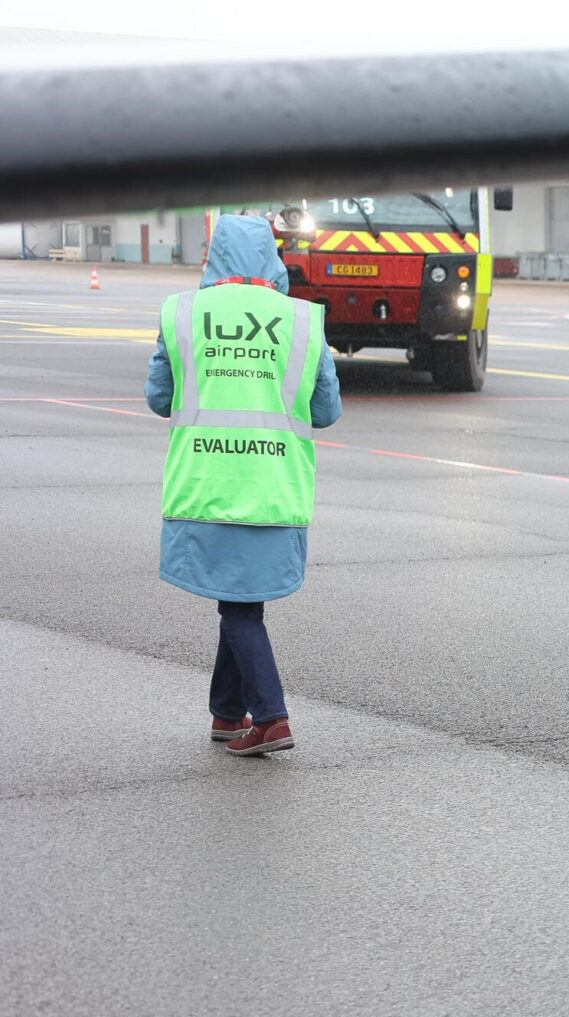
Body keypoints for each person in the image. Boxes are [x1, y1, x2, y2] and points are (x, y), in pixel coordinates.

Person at [144, 213, 342, 756]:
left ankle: (272, 717)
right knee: (241, 600)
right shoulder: (302, 321)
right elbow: (326, 411)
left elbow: (160, 398)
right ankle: (228, 714)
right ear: (273, 258)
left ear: (214, 255)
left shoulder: (183, 313)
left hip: (206, 484)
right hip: (276, 487)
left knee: (238, 605)